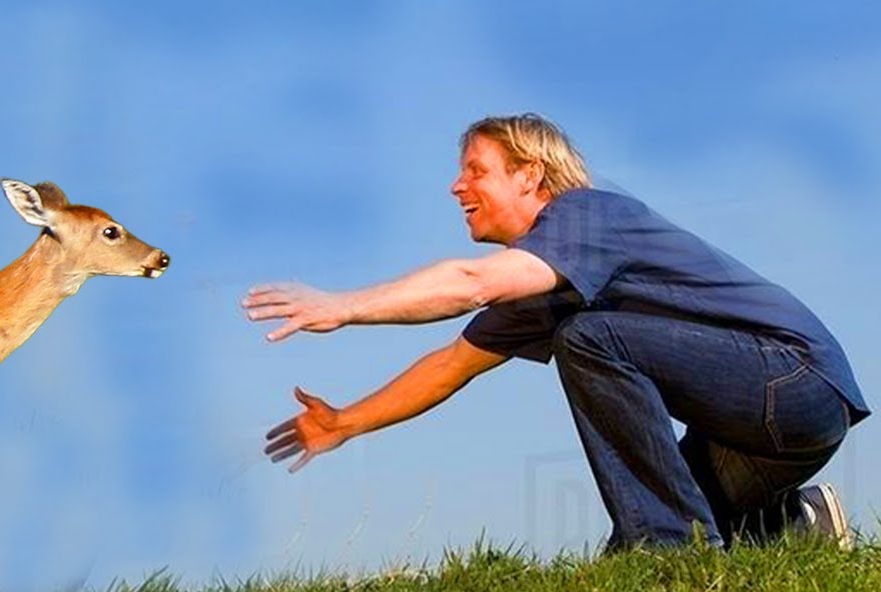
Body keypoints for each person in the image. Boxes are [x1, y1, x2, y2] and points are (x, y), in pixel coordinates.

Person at [243, 113, 869, 551]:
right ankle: (790, 522)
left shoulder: (585, 217)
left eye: (476, 169)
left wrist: (343, 305)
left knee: (592, 343)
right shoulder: (542, 283)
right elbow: (450, 365)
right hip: (762, 432)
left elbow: (470, 283)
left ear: (530, 175)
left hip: (793, 383)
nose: (457, 186)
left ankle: (670, 550)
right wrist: (344, 423)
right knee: (627, 561)